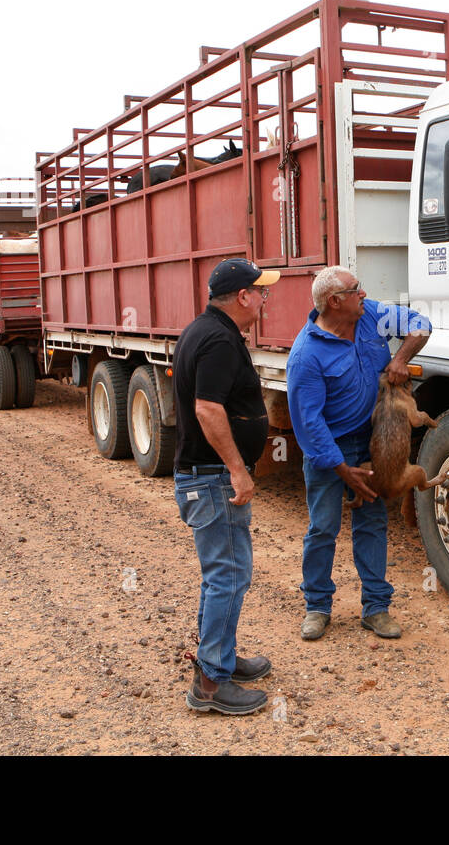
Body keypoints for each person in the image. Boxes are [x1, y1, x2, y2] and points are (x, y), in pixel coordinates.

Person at [286, 266, 432, 641]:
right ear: (335, 302)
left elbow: (421, 324)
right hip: (327, 451)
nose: (364, 293)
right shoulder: (306, 354)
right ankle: (317, 607)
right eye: (356, 289)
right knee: (323, 528)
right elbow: (308, 423)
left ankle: (376, 609)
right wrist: (341, 469)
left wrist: (400, 359)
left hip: (371, 444)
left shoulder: (371, 316)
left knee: (372, 523)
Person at [172, 257, 279, 715]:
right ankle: (211, 685)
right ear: (242, 296)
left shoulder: (208, 330)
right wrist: (237, 469)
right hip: (213, 479)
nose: (264, 299)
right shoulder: (217, 339)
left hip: (207, 477)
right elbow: (207, 409)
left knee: (223, 574)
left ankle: (220, 658)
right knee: (229, 576)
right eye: (261, 292)